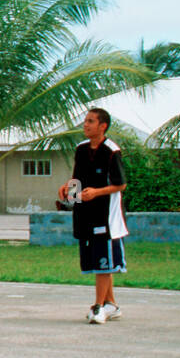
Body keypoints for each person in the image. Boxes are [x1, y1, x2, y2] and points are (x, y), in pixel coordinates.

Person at [59, 107, 128, 324]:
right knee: (96, 261)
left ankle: (98, 307)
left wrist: (97, 192)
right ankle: (112, 305)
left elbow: (121, 184)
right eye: (85, 121)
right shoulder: (80, 149)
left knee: (103, 263)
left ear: (103, 126)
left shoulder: (111, 151)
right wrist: (67, 187)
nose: (85, 125)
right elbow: (77, 178)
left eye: (90, 121)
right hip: (85, 213)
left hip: (106, 217)